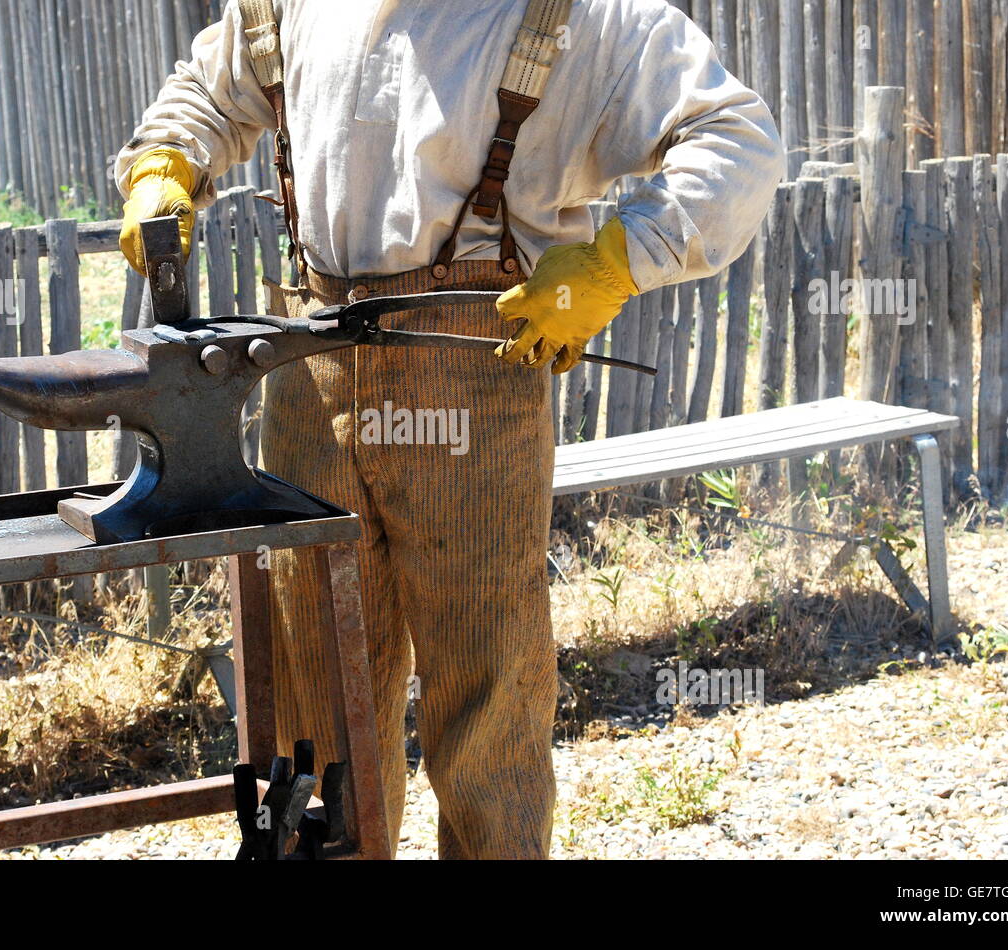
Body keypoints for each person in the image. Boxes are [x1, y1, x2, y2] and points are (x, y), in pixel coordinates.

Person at [115, 0, 783, 859]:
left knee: (487, 700)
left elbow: (736, 137)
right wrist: (167, 161)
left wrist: (621, 259)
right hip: (311, 378)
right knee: (318, 698)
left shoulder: (578, 17)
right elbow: (209, 93)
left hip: (473, 380)